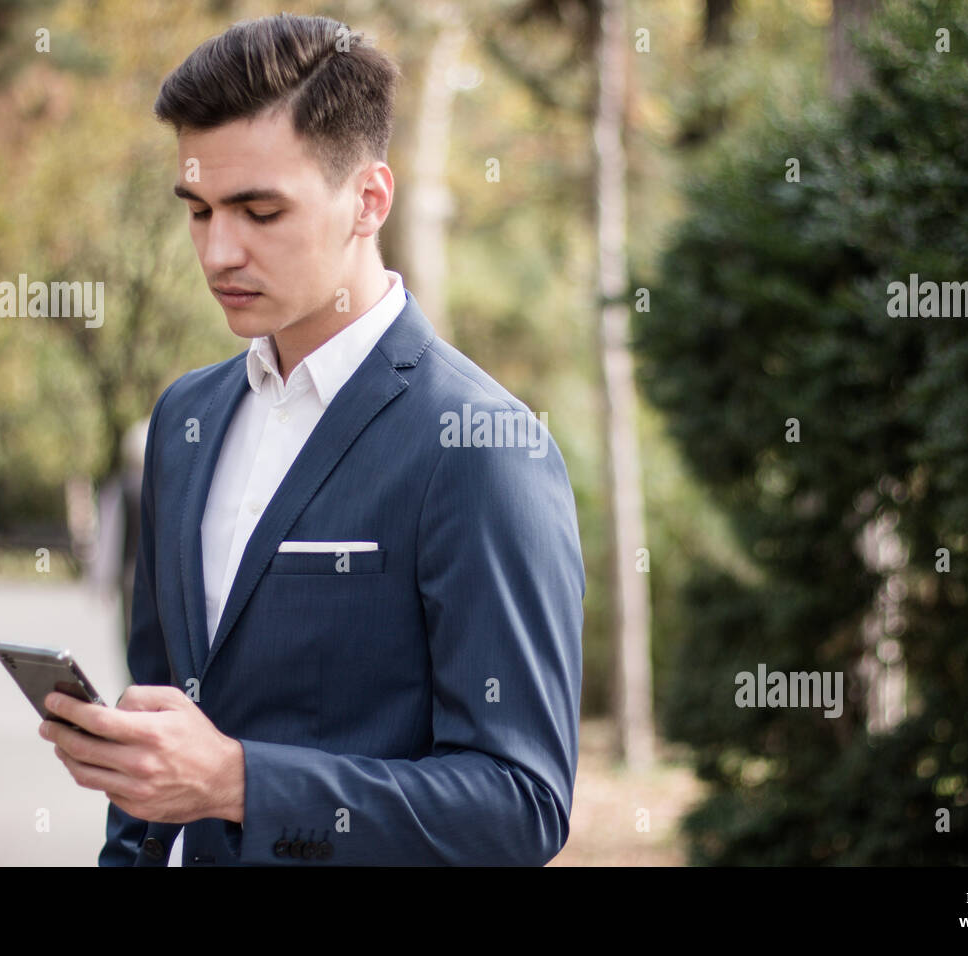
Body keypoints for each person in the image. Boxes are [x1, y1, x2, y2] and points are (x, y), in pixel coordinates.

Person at [38, 13, 586, 865]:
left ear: (369, 200)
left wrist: (237, 782)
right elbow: (159, 727)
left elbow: (519, 806)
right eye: (198, 210)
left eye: (259, 211)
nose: (219, 251)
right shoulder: (183, 421)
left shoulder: (481, 445)